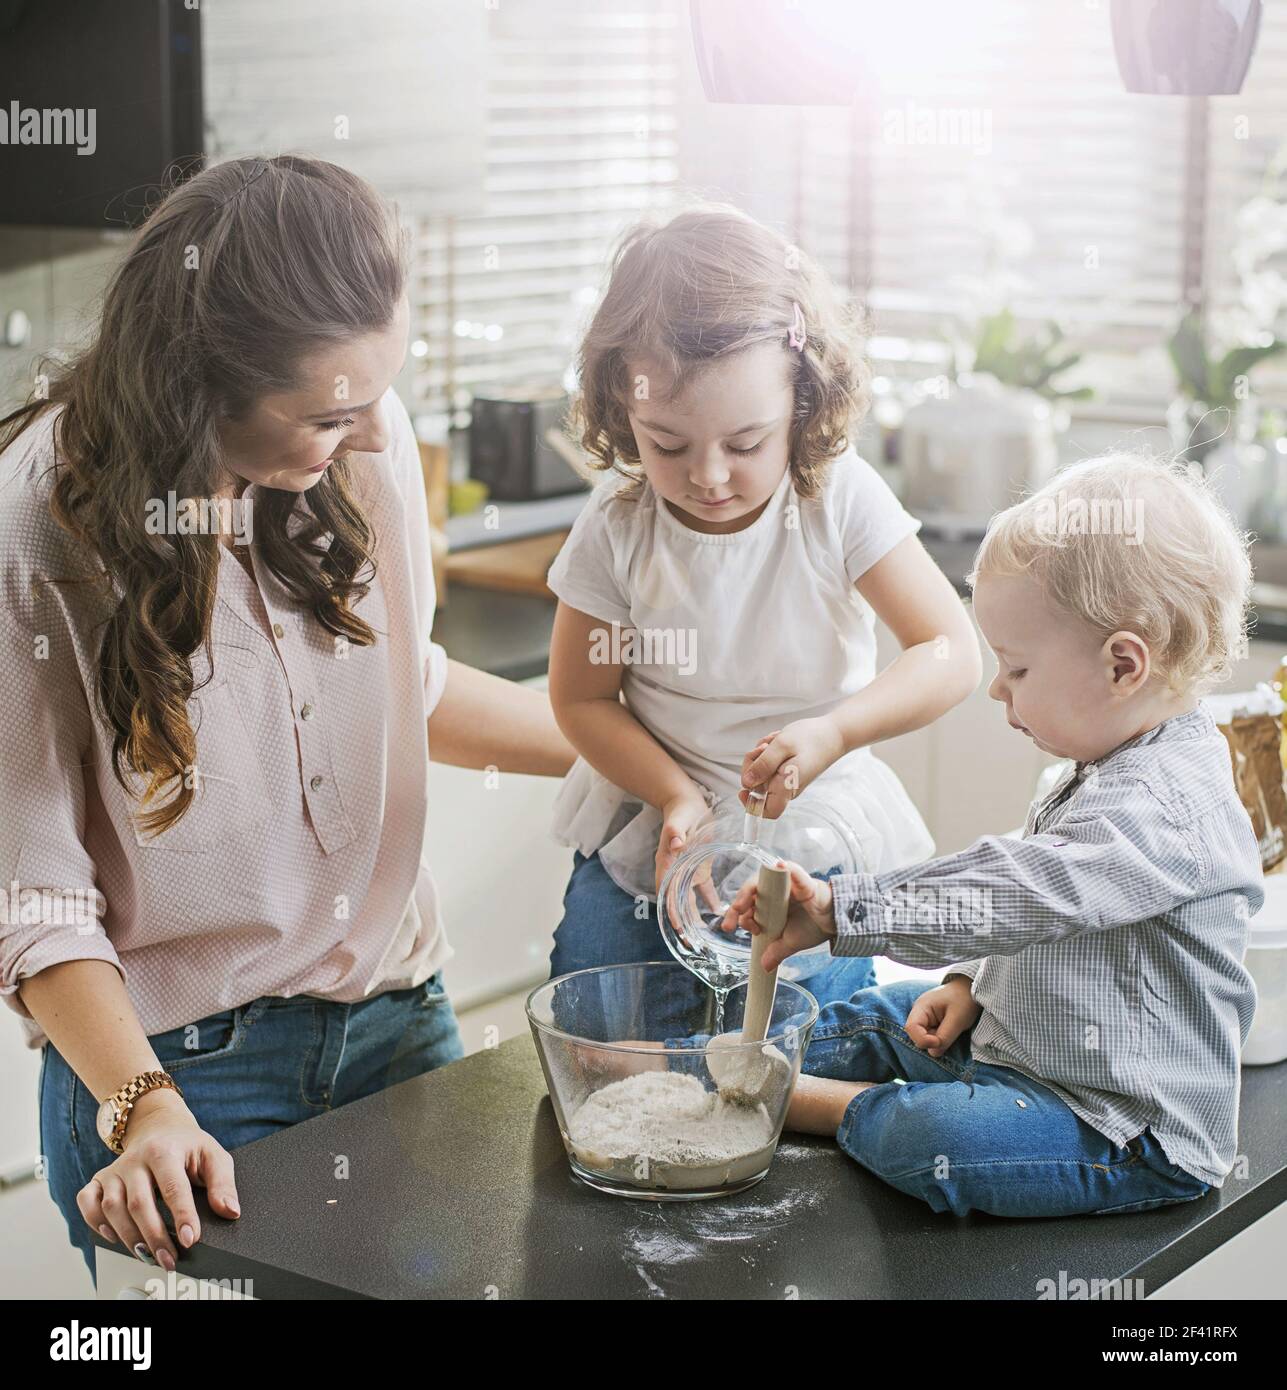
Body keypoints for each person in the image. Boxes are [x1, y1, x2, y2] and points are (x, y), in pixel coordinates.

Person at [0, 156, 573, 1281]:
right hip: (181, 1079)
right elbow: (33, 896)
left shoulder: (360, 439)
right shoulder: (36, 526)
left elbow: (402, 689)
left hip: (398, 1016)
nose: (371, 436)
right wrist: (145, 1110)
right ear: (198, 391)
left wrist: (650, 753)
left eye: (378, 392)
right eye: (331, 412)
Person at [722, 453, 1263, 1217]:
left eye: (1015, 667)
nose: (995, 687)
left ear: (1121, 665)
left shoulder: (1165, 805)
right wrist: (968, 980)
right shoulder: (1112, 759)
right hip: (1023, 1050)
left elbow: (1023, 890)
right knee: (876, 1012)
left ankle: (828, 1106)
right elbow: (1041, 890)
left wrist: (848, 910)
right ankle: (756, 1066)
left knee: (932, 1137)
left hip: (1116, 1128)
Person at [545, 205, 979, 1021]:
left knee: (803, 1042)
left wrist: (835, 732)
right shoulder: (618, 522)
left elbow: (949, 649)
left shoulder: (833, 496)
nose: (707, 475)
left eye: (746, 442)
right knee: (601, 1026)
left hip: (815, 831)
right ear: (618, 403)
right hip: (654, 822)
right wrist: (675, 796)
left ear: (803, 399)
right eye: (665, 443)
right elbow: (580, 698)